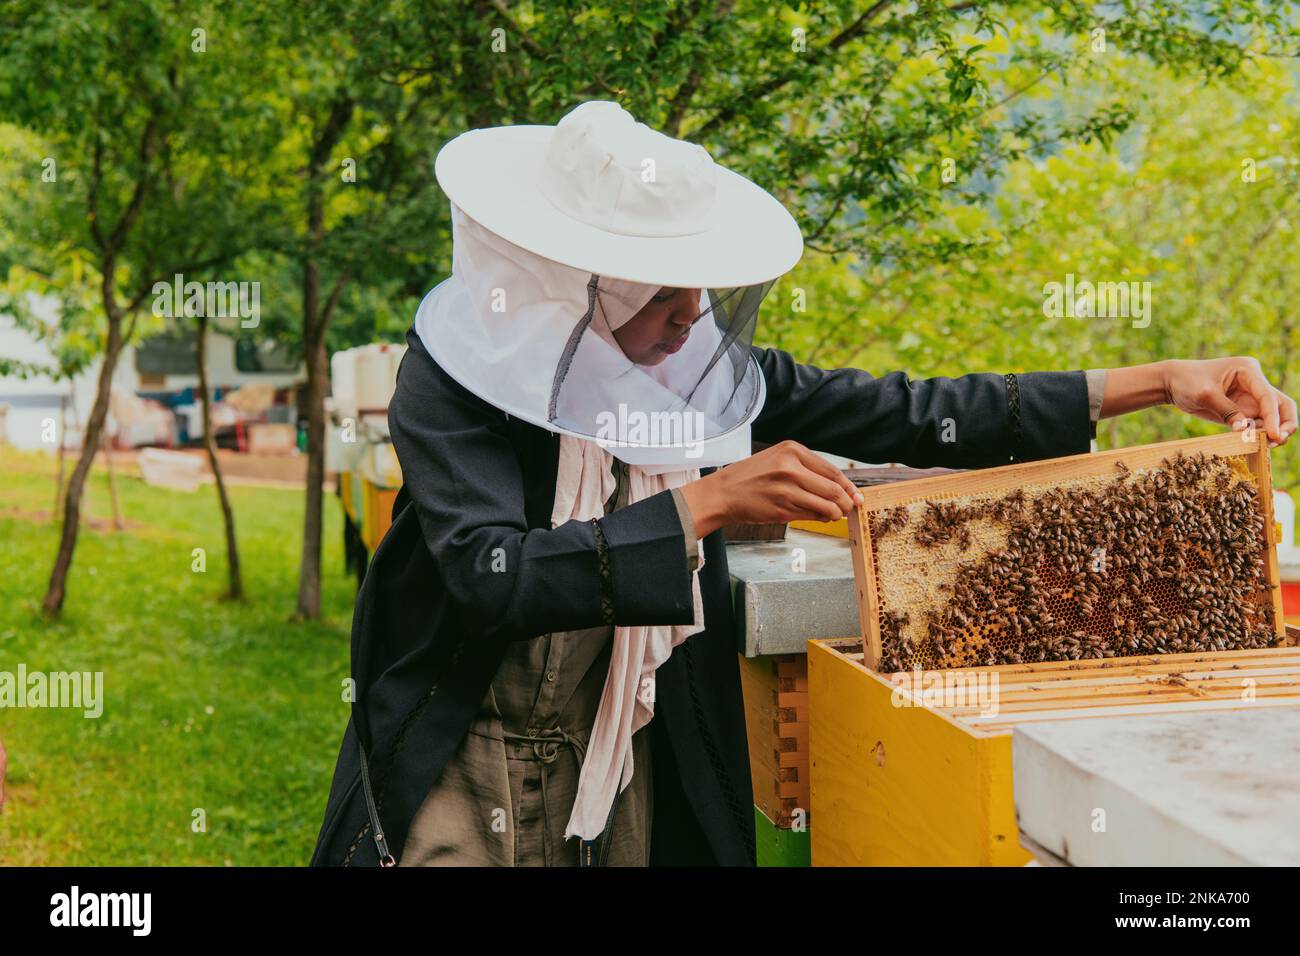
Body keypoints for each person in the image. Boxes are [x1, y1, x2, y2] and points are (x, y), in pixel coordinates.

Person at [310, 100, 1297, 868]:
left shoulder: (697, 373)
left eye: (699, 282)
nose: (693, 315)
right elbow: (495, 575)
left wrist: (1161, 381)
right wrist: (704, 502)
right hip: (461, 742)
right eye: (663, 289)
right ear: (577, 280)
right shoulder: (457, 383)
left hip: (627, 746)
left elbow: (911, 410)